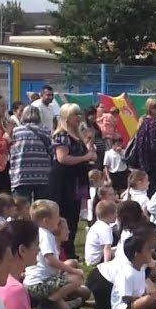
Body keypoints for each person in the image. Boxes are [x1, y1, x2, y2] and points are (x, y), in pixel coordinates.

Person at [50, 104, 97, 258]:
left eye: (79, 114)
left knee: (74, 216)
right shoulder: (62, 135)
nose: (78, 118)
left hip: (77, 181)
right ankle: (63, 250)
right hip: (64, 182)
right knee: (65, 215)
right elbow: (62, 158)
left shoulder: (77, 135)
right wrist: (85, 158)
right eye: (75, 114)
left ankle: (69, 249)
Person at [25, 200, 88, 309]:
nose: (58, 220)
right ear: (46, 221)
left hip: (38, 282)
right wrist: (73, 270)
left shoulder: (40, 233)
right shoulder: (46, 235)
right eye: (57, 217)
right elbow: (50, 261)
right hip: (38, 284)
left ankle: (57, 304)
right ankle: (48, 303)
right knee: (76, 278)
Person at [110, 230, 156, 309]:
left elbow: (141, 291)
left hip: (137, 302)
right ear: (137, 254)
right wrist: (146, 299)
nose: (150, 252)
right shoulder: (127, 273)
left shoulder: (141, 270)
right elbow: (126, 298)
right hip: (124, 308)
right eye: (146, 250)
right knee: (147, 300)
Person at [9, 104, 52, 201]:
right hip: (42, 174)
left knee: (22, 206)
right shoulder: (45, 131)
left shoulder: (16, 131)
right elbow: (51, 150)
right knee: (41, 206)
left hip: (21, 174)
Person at [129, 99, 156, 197]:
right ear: (152, 109)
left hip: (145, 165)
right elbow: (155, 146)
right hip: (155, 167)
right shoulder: (153, 124)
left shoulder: (144, 124)